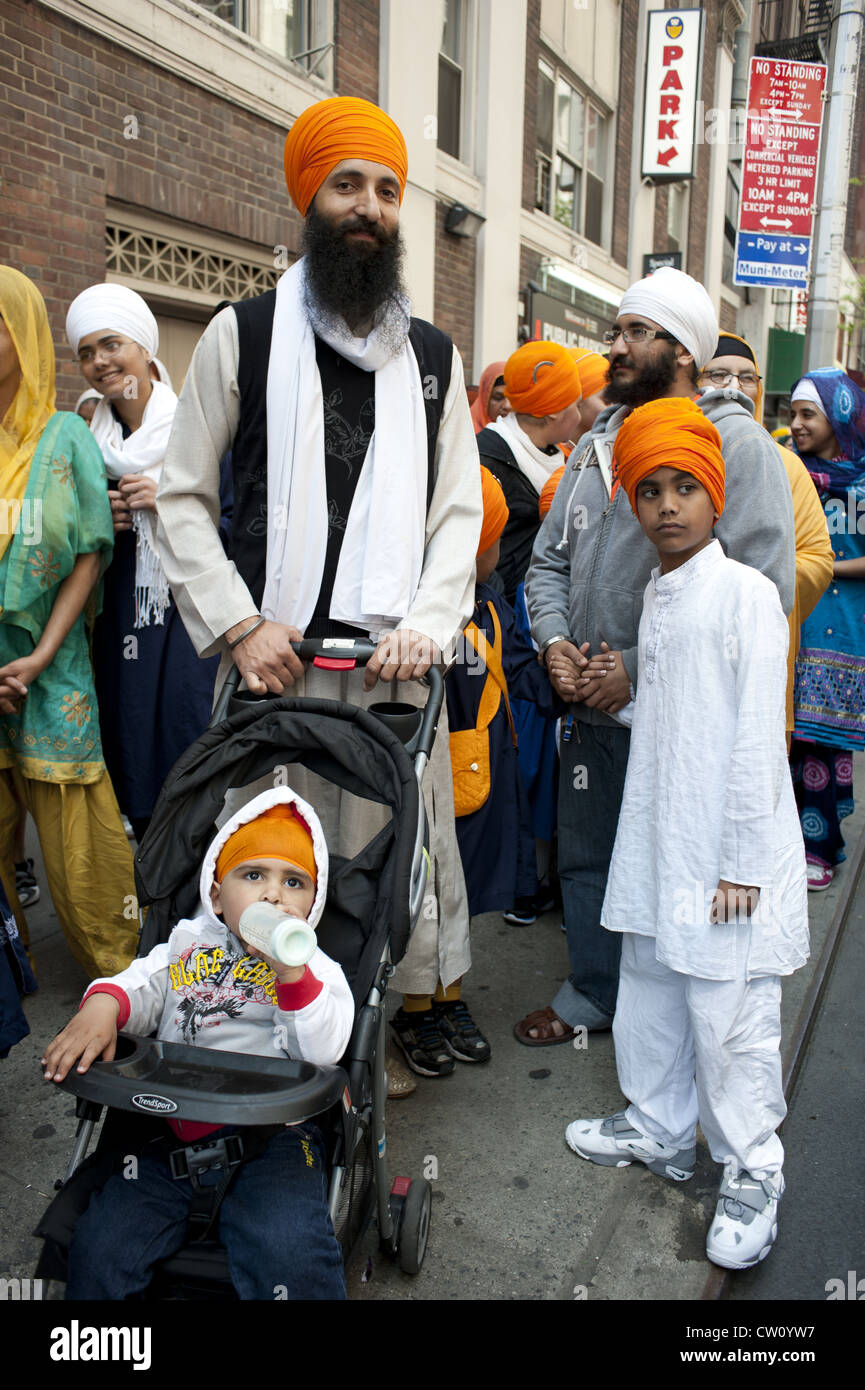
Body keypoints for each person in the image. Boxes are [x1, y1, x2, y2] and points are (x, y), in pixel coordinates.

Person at [155, 96, 482, 1070]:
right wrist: (238, 624)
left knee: (394, 853)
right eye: (348, 184)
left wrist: (426, 623)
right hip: (273, 667)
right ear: (311, 197)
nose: (368, 206)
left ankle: (386, 1023)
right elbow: (180, 498)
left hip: (388, 669)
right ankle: (255, 1034)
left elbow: (455, 515)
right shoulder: (240, 337)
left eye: (386, 189)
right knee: (270, 857)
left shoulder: (430, 360)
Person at [519, 266, 796, 1044]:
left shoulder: (737, 446)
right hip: (584, 707)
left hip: (679, 718)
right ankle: (594, 998)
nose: (614, 347)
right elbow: (546, 563)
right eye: (614, 331)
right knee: (586, 860)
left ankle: (677, 1027)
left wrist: (634, 669)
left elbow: (763, 590)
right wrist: (554, 646)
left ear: (681, 352)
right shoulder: (594, 446)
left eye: (632, 332)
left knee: (675, 868)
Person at [565, 396, 808, 1271]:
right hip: (662, 829)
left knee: (729, 1007)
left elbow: (752, 730)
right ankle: (661, 1127)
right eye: (650, 491)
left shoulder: (745, 594)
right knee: (653, 979)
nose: (667, 505)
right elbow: (672, 711)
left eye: (684, 489)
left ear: (714, 498)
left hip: (726, 845)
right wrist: (614, 687)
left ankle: (753, 1169)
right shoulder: (659, 593)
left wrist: (742, 861)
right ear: (633, 504)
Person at [42, 785, 353, 1300]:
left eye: (294, 882)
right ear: (215, 893)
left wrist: (294, 978)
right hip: (166, 1130)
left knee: (291, 1254)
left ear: (312, 903)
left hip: (273, 1138)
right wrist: (104, 1005)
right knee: (101, 1249)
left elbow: (323, 1051)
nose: (273, 896)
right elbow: (140, 985)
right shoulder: (186, 947)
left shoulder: (316, 969)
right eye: (253, 875)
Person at [0, 266, 138, 980]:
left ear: (21, 335)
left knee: (75, 828)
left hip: (53, 666)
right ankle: (8, 973)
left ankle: (118, 977)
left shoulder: (65, 438)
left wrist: (42, 653)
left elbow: (89, 552)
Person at [65, 284, 220, 842]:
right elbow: (61, 537)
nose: (99, 362)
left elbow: (236, 522)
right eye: (85, 353)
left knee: (184, 727)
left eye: (110, 344)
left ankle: (197, 864)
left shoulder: (196, 424)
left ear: (144, 348)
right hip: (117, 614)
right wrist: (94, 517)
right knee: (126, 728)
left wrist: (171, 503)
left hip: (185, 613)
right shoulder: (83, 441)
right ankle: (149, 874)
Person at [699, 336, 833, 742]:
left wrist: (752, 579)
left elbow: (816, 557)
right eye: (718, 374)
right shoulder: (679, 452)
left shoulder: (786, 465)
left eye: (746, 377)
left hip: (755, 654)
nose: (733, 386)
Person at [787, 370, 865, 889]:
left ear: (838, 416)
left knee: (826, 742)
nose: (795, 425)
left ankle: (820, 843)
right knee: (793, 737)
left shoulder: (862, 480)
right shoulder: (787, 470)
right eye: (791, 413)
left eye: (807, 414)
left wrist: (821, 566)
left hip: (846, 624)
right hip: (798, 619)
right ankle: (797, 844)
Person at [478, 341, 581, 604]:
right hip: (501, 619)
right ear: (555, 411)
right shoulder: (486, 459)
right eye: (575, 405)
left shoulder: (561, 456)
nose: (579, 416)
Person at [470, 360, 509, 433]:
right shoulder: (468, 431)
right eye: (498, 398)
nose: (507, 406)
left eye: (512, 399)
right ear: (485, 398)